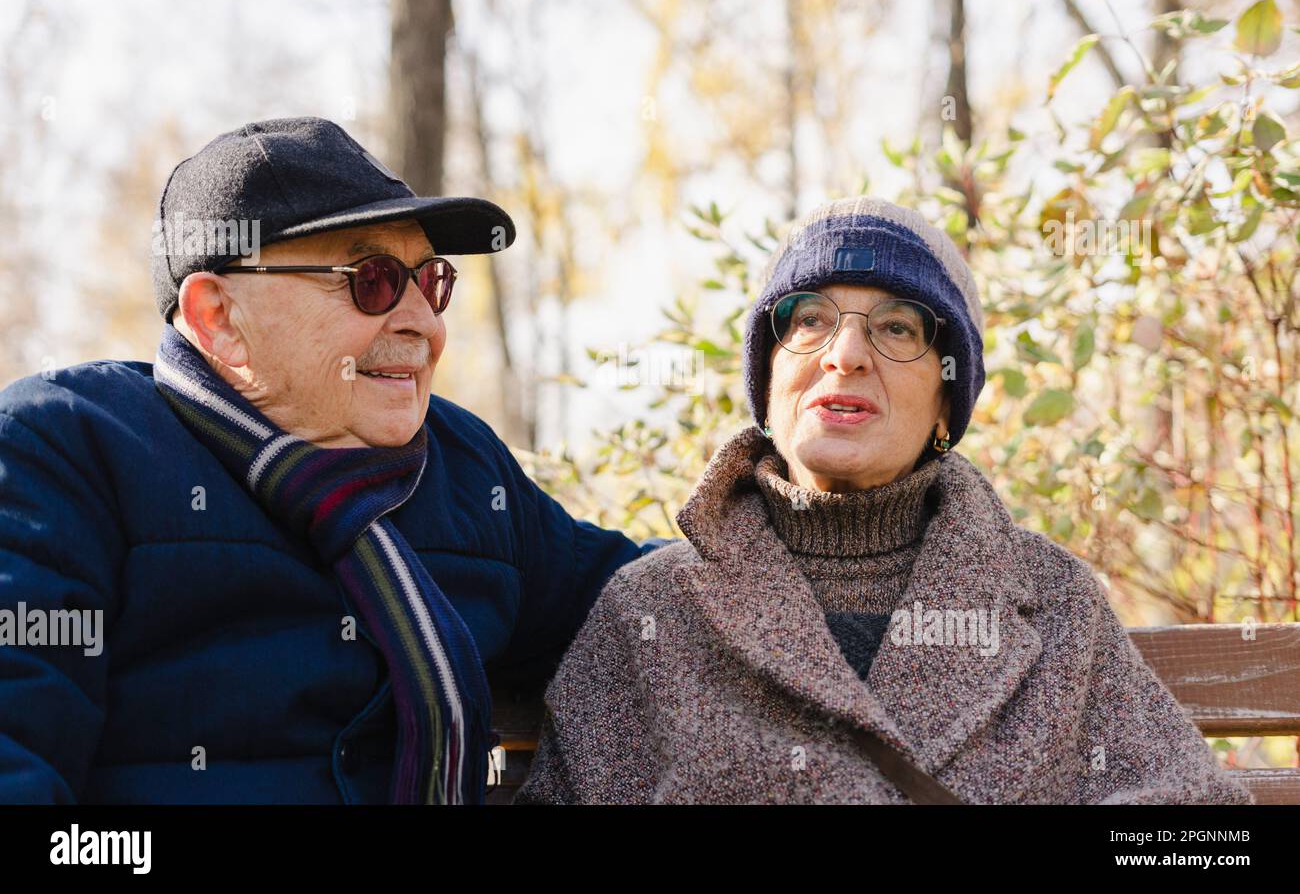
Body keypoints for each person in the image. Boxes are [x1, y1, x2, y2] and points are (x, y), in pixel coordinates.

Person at [0, 116, 660, 804]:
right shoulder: (65, 452)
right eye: (371, 280)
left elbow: (651, 603)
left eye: (431, 282)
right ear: (219, 317)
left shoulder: (466, 470)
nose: (425, 324)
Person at [514, 196, 1254, 804]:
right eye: (809, 320)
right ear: (768, 381)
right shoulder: (653, 611)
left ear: (945, 401)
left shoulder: (1053, 603)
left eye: (897, 327)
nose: (845, 353)